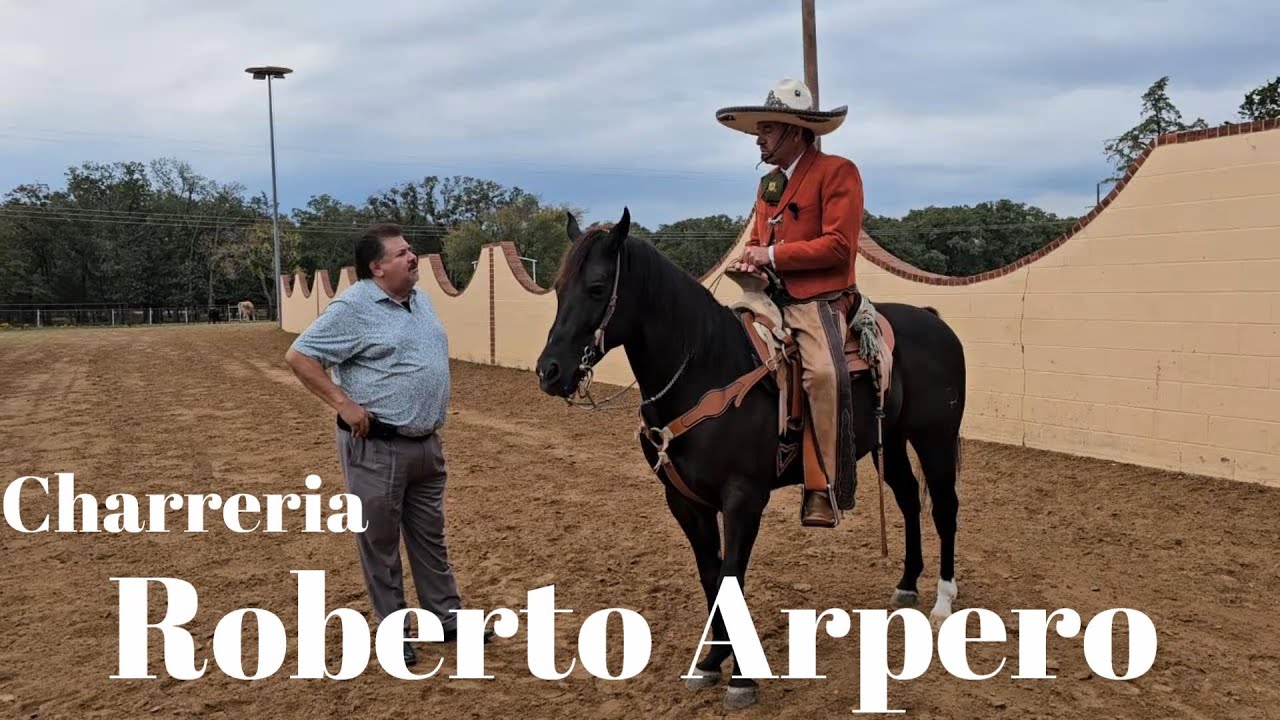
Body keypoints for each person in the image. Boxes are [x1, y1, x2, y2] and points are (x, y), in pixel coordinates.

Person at [284, 222, 491, 667]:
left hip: (424, 444)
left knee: (429, 537)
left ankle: (446, 618)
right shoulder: (353, 307)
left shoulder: (419, 299)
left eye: (410, 250)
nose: (411, 258)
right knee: (379, 542)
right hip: (376, 445)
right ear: (376, 268)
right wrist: (343, 404)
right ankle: (394, 632)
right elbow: (299, 356)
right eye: (401, 254)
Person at [716, 78, 864, 528]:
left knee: (822, 373)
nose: (758, 139)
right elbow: (760, 240)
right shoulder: (769, 186)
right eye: (759, 130)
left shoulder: (838, 172)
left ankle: (824, 485)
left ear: (795, 132)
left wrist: (773, 256)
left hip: (817, 300)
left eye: (766, 130)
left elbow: (840, 246)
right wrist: (753, 262)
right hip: (769, 298)